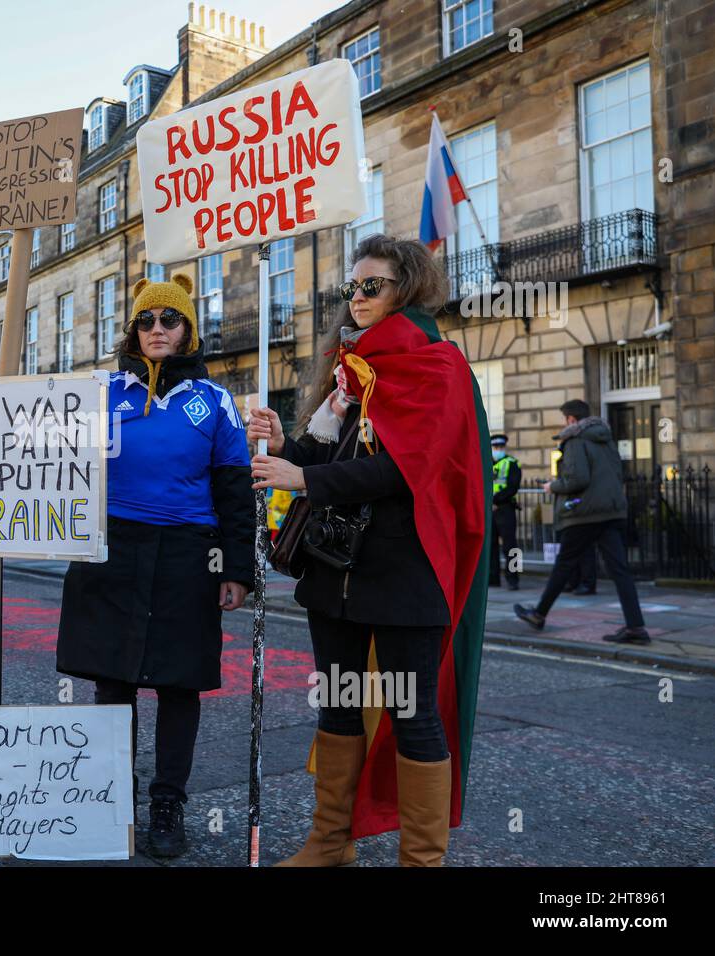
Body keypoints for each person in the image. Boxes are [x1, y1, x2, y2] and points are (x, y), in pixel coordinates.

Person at [248, 234, 490, 867]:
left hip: (407, 572)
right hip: (337, 570)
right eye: (351, 287)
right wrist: (283, 445)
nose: (357, 297)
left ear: (405, 288)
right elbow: (323, 455)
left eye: (371, 285)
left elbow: (406, 470)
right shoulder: (351, 369)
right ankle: (331, 843)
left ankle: (421, 862)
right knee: (339, 703)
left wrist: (305, 478)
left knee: (412, 715)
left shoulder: (437, 364)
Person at [56, 274, 254, 859]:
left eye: (169, 320)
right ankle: (114, 799)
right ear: (135, 330)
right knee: (112, 680)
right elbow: (56, 464)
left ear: (187, 329)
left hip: (187, 554)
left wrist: (236, 569)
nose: (158, 329)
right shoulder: (100, 393)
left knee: (178, 684)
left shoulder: (215, 402)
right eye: (147, 320)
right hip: (112, 549)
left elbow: (235, 492)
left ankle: (168, 801)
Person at [514, 399, 648, 644]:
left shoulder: (575, 440)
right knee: (620, 570)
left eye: (565, 419)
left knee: (564, 564)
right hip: (612, 511)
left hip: (584, 513)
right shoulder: (606, 439)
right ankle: (636, 626)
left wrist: (551, 486)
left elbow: (578, 479)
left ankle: (539, 614)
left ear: (571, 419)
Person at [489, 434, 521, 591]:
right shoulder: (485, 464)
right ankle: (492, 578)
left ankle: (513, 578)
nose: (498, 450)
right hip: (490, 511)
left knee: (511, 547)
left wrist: (494, 500)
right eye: (495, 448)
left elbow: (512, 487)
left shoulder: (512, 464)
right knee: (490, 546)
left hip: (505, 509)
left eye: (501, 447)